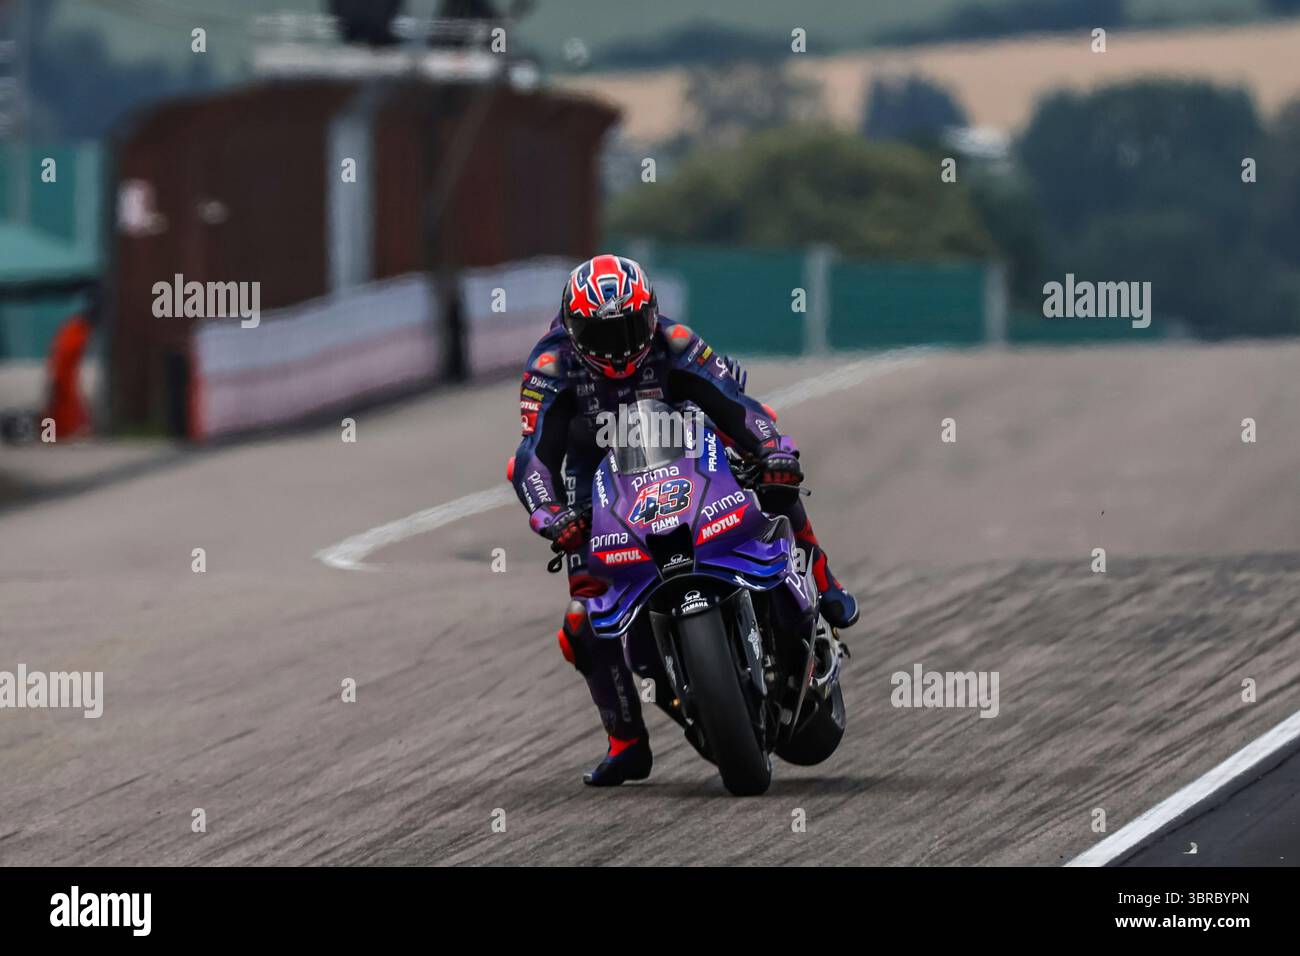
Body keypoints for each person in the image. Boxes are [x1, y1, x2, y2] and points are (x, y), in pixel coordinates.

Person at [509, 254, 858, 786]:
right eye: (603, 334)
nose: (619, 345)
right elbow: (532, 458)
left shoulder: (675, 342)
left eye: (629, 327)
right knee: (581, 620)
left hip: (685, 449)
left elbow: (738, 406)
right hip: (596, 476)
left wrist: (771, 449)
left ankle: (825, 581)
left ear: (649, 315)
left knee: (775, 483)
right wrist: (551, 513)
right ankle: (626, 743)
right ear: (574, 330)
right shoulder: (550, 367)